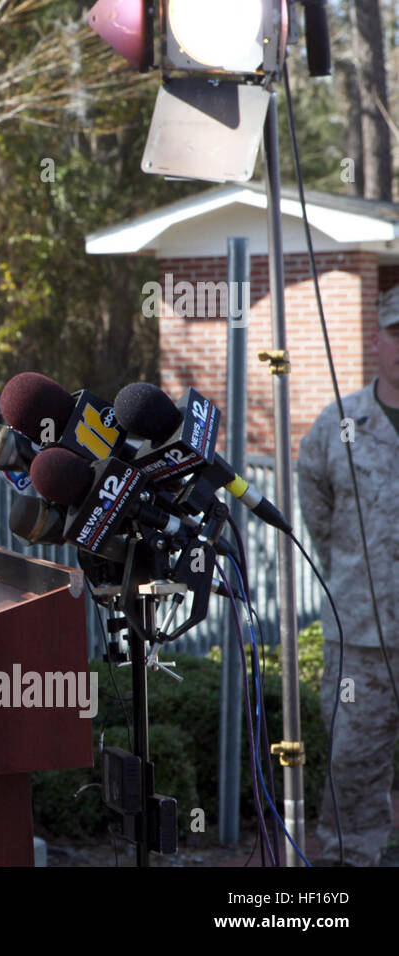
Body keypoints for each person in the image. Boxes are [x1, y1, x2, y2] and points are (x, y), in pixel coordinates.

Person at [298, 285, 399, 866]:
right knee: (352, 775)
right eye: (396, 333)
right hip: (359, 637)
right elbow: (315, 504)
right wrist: (353, 569)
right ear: (375, 338)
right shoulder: (341, 423)